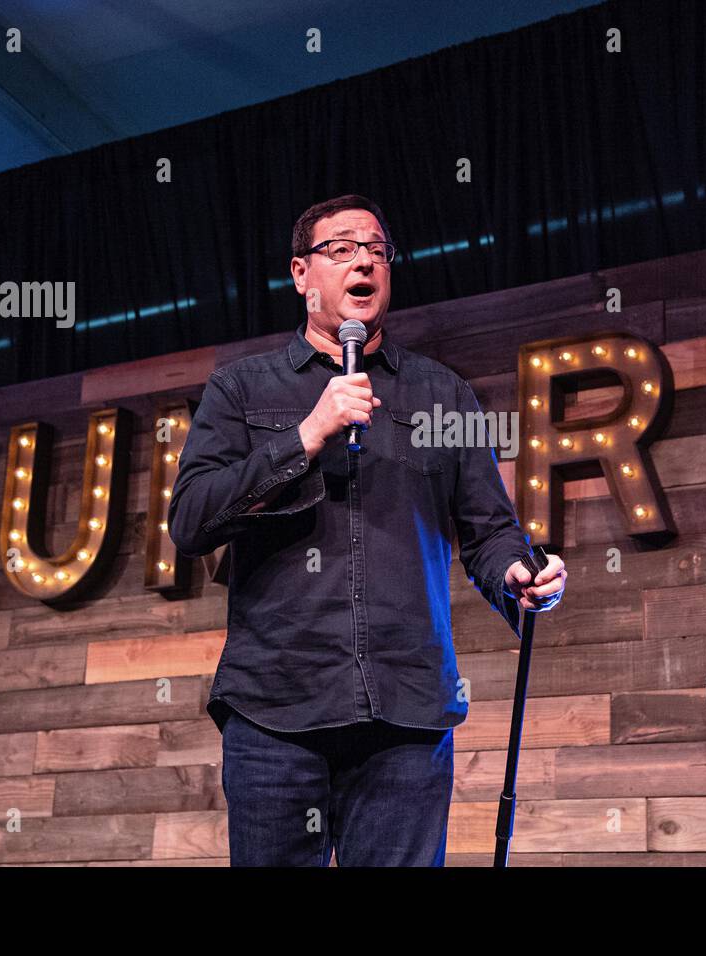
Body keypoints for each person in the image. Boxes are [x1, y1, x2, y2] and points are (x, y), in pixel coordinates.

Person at [167, 194, 567, 866]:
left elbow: (490, 529)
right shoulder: (241, 389)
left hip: (405, 712)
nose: (364, 262)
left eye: (377, 250)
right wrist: (305, 435)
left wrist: (519, 576)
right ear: (301, 274)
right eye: (342, 248)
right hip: (276, 710)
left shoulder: (442, 395)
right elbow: (191, 518)